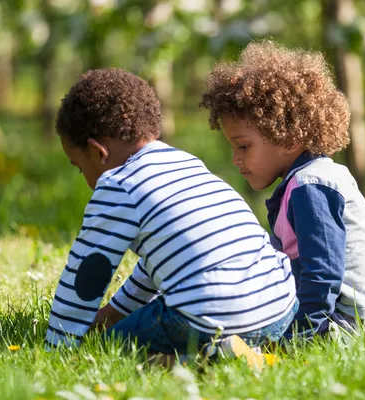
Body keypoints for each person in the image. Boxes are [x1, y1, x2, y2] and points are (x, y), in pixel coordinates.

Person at [46, 68, 298, 366]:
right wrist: (114, 312)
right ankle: (243, 351)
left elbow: (88, 272)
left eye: (79, 167)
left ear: (97, 151)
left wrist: (59, 343)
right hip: (279, 307)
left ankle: (209, 357)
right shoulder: (186, 163)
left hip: (208, 316)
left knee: (108, 348)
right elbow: (159, 266)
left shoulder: (117, 184)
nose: (84, 177)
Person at [200, 40, 365, 341]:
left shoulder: (311, 186)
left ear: (289, 140)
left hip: (349, 322)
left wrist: (299, 336)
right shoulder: (303, 182)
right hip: (342, 315)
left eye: (243, 146)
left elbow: (324, 274)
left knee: (237, 337)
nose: (236, 159)